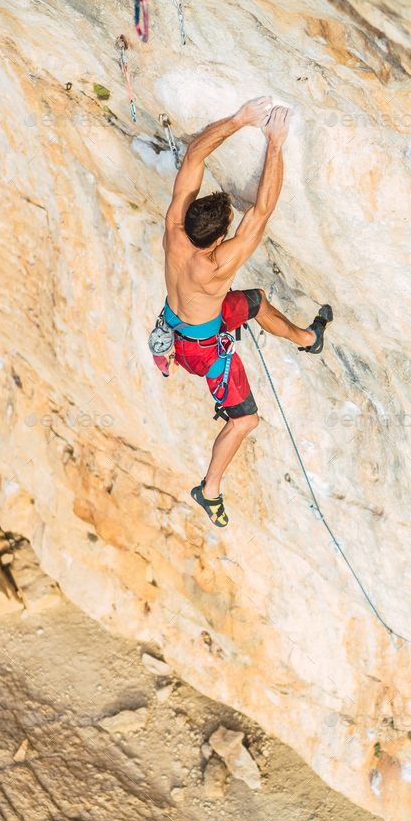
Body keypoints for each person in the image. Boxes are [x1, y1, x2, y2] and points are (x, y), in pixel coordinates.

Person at [162, 97, 332, 527]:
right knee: (246, 421)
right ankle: (210, 488)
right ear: (219, 239)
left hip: (186, 323)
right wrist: (275, 143)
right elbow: (262, 212)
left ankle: (309, 339)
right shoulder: (217, 266)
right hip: (204, 351)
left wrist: (239, 119)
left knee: (253, 302)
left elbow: (195, 154)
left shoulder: (174, 228)